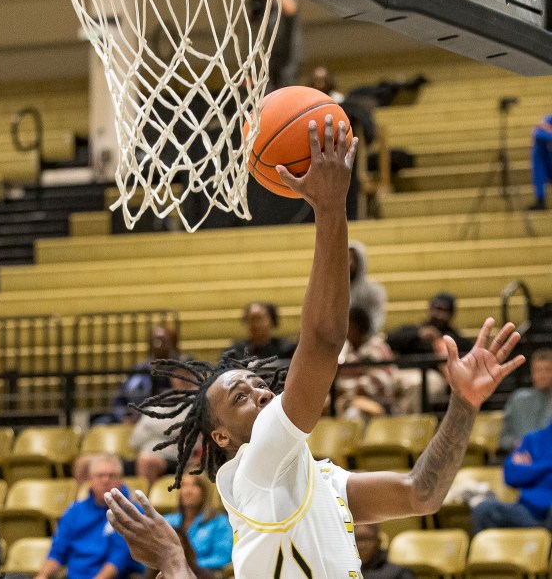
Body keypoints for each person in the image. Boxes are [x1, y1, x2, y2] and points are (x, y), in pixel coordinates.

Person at [102, 116, 524, 577]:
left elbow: (420, 492)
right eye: (240, 397)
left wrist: (463, 404)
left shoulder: (311, 478)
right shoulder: (253, 469)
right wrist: (329, 208)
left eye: (260, 384)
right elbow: (323, 341)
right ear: (221, 437)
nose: (261, 393)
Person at [35, 454, 143, 579]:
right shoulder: (74, 511)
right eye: (100, 475)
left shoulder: (131, 512)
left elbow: (119, 559)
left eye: (112, 475)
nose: (105, 480)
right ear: (90, 479)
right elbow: (57, 552)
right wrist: (42, 575)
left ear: (121, 479)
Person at [473, 421, 552, 533]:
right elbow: (510, 475)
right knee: (483, 511)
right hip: (528, 512)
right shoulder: (533, 439)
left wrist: (531, 467)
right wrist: (547, 466)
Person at [335, 307, 401, 420]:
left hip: (378, 402)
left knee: (353, 415)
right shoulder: (345, 347)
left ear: (358, 328)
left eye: (348, 325)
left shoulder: (377, 347)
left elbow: (383, 382)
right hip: (348, 400)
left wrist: (349, 389)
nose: (344, 329)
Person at [162, 474, 232, 576]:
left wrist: (188, 565)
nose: (188, 491)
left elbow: (222, 558)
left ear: (204, 492)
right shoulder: (168, 521)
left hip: (203, 574)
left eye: (194, 485)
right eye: (184, 485)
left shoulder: (219, 522)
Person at [500, 348, 552, 452]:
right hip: (522, 456)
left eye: (547, 369)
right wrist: (517, 443)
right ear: (532, 372)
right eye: (538, 370)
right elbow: (504, 439)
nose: (542, 375)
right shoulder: (518, 399)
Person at [222, 302, 296, 364]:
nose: (256, 324)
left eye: (260, 319)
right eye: (252, 319)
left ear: (272, 321)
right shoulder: (234, 352)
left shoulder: (287, 350)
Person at [349, 241, 387, 335]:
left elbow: (378, 318)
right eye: (347, 258)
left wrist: (363, 337)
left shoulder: (375, 290)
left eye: (353, 258)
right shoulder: (335, 292)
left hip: (368, 338)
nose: (350, 263)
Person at [528, 113, 552, 211]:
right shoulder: (549, 119)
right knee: (537, 149)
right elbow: (537, 133)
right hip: (546, 163)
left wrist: (549, 130)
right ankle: (540, 199)